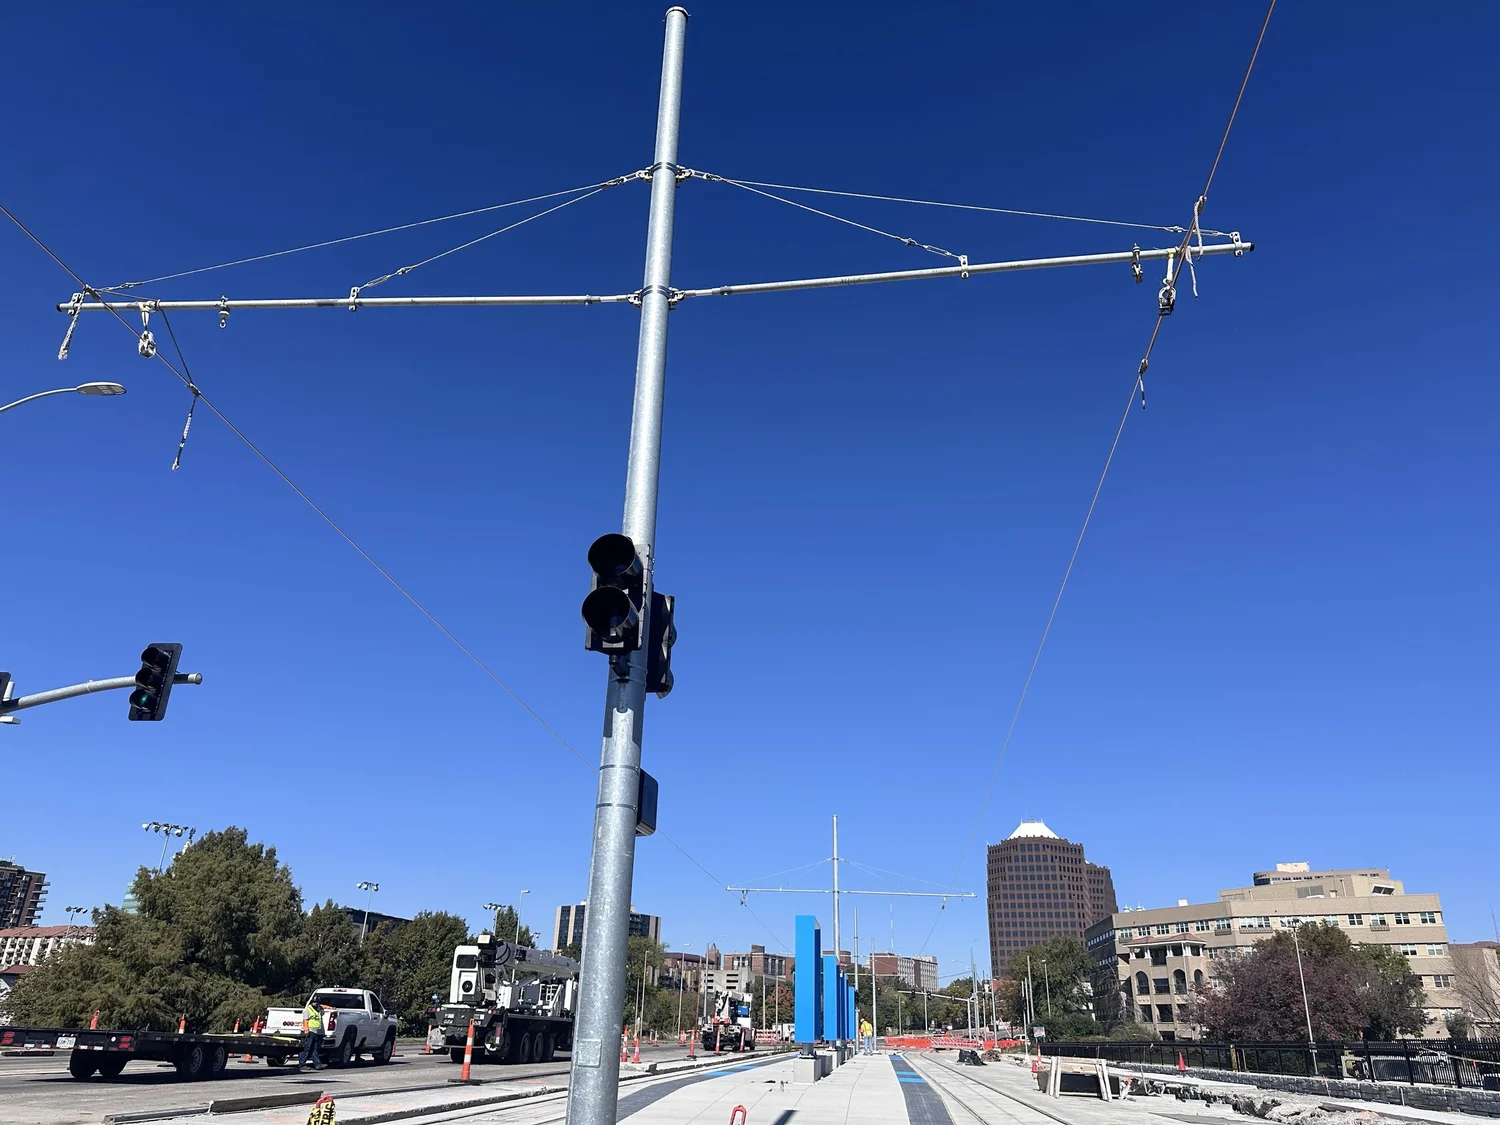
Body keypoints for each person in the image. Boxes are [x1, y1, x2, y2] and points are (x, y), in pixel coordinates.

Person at [298, 1000, 327, 1071]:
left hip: (315, 1032)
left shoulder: (317, 1009)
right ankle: (302, 1064)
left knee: (314, 1049)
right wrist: (306, 1031)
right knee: (307, 1048)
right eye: (314, 1002)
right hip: (310, 1032)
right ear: (311, 1003)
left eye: (316, 1002)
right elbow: (305, 1021)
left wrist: (331, 1008)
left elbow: (323, 1006)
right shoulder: (308, 1010)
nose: (315, 1003)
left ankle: (317, 1064)